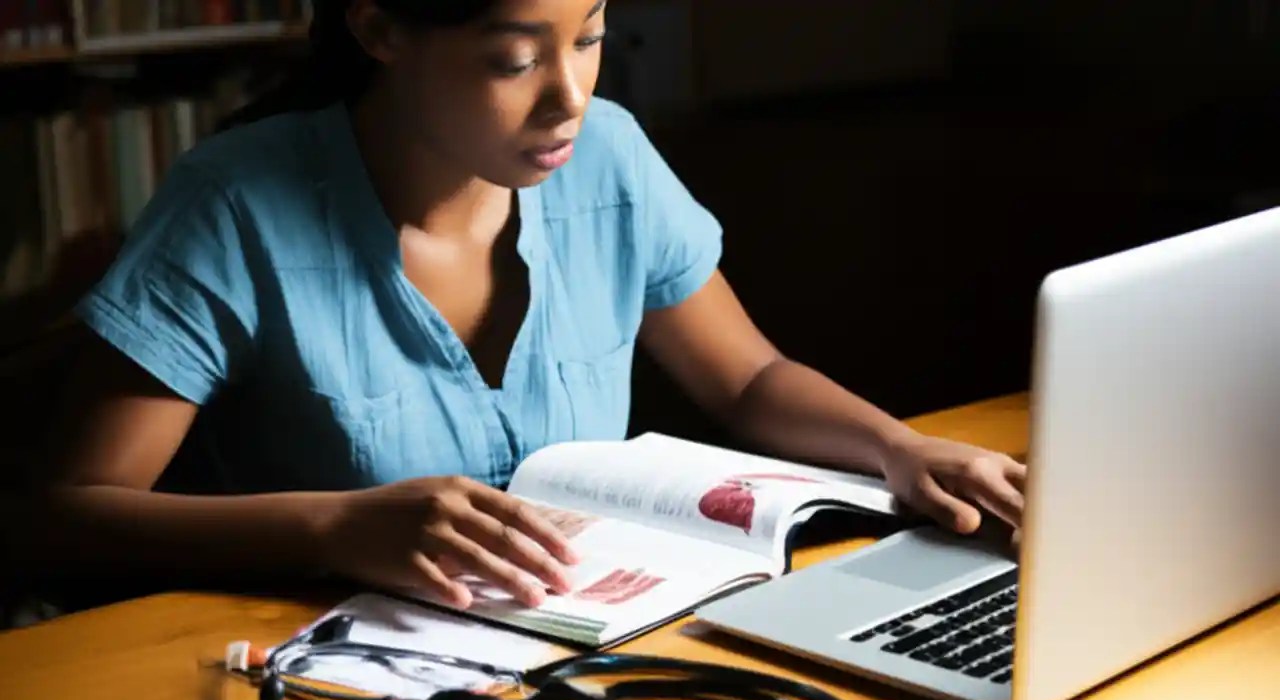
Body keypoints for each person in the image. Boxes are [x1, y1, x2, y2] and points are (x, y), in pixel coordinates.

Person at [17, 0, 1025, 612]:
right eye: (514, 61)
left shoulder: (608, 157)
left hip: (576, 649)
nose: (568, 99)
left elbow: (749, 376)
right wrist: (331, 527)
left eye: (588, 41)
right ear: (377, 29)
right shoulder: (235, 207)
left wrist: (898, 448)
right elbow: (61, 524)